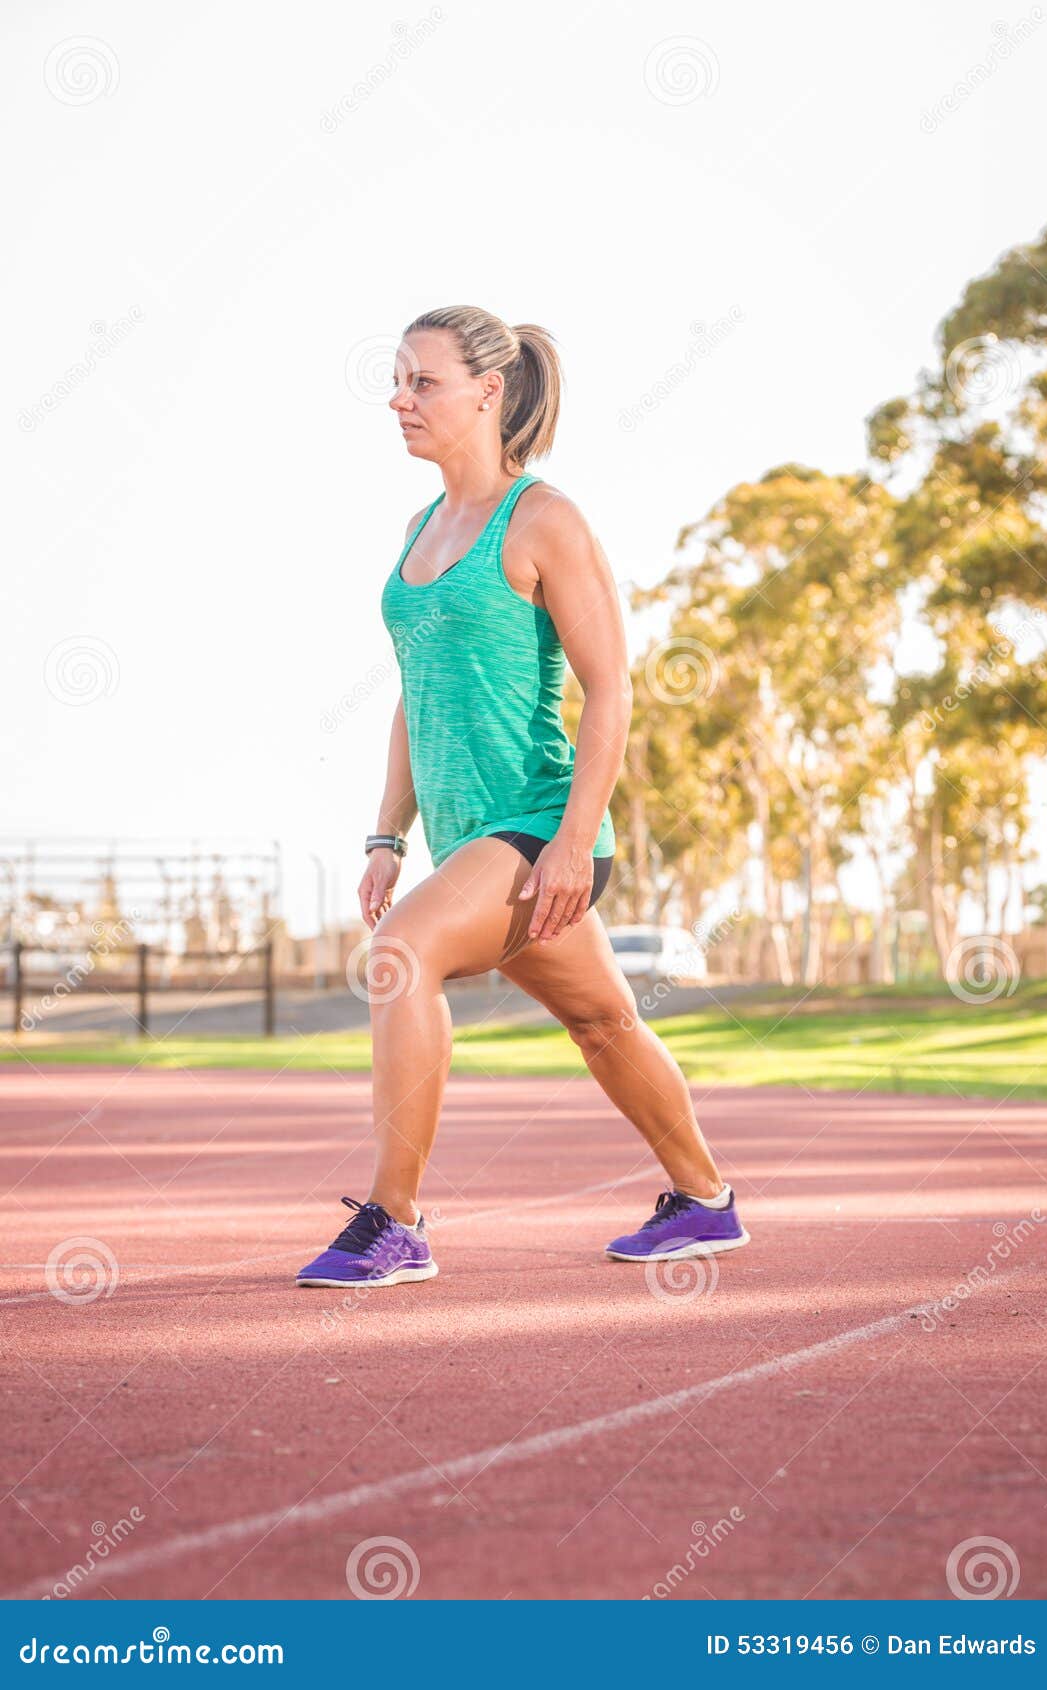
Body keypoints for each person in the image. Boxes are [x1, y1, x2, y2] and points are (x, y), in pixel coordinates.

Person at [296, 305, 748, 1289]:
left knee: (401, 952)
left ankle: (396, 1220)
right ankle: (706, 1200)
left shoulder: (544, 519)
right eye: (400, 379)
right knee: (605, 1023)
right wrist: (386, 833)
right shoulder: (421, 527)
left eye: (423, 380)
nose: (400, 397)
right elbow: (416, 695)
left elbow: (612, 687)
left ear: (488, 391)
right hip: (468, 841)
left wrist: (573, 841)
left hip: (540, 826)